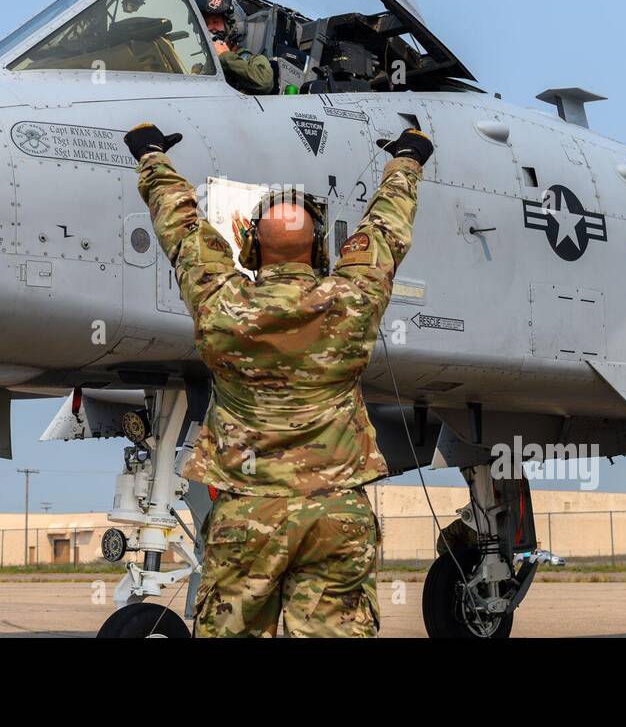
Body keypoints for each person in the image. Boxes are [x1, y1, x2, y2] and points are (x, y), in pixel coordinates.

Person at [123, 121, 434, 636]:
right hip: (338, 516)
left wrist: (152, 156)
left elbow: (181, 231)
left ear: (250, 246)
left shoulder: (221, 305)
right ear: (316, 251)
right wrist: (407, 159)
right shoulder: (353, 301)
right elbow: (385, 229)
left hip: (248, 518)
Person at [193, 0, 274, 94]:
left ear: (232, 27)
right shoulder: (203, 67)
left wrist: (225, 56)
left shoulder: (253, 60)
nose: (209, 27)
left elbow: (264, 82)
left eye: (215, 21)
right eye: (206, 23)